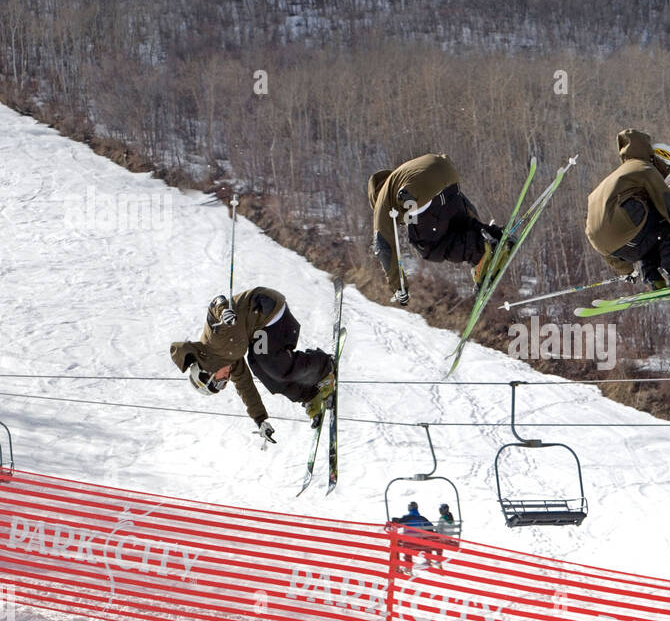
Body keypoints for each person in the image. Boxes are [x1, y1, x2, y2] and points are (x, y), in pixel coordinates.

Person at [169, 287, 335, 445]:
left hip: (265, 306)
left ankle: (325, 365)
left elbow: (215, 303)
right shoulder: (229, 361)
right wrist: (260, 420)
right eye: (223, 385)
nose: (225, 382)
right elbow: (245, 386)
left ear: (207, 374)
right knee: (259, 368)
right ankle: (310, 395)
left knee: (271, 363)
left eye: (219, 382)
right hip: (261, 327)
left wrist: (223, 313)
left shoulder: (213, 343)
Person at [367, 154, 503, 306]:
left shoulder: (382, 199)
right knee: (456, 227)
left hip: (420, 191)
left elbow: (383, 246)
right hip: (447, 173)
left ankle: (480, 254)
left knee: (430, 247)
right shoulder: (403, 175)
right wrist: (485, 231)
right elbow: (465, 207)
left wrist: (399, 287)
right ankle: (495, 240)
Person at [584, 129, 670, 291]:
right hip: (626, 229)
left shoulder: (615, 179)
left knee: (651, 233)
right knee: (666, 220)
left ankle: (654, 277)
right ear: (662, 164)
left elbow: (599, 233)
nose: (667, 183)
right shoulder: (645, 168)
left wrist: (625, 269)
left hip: (616, 247)